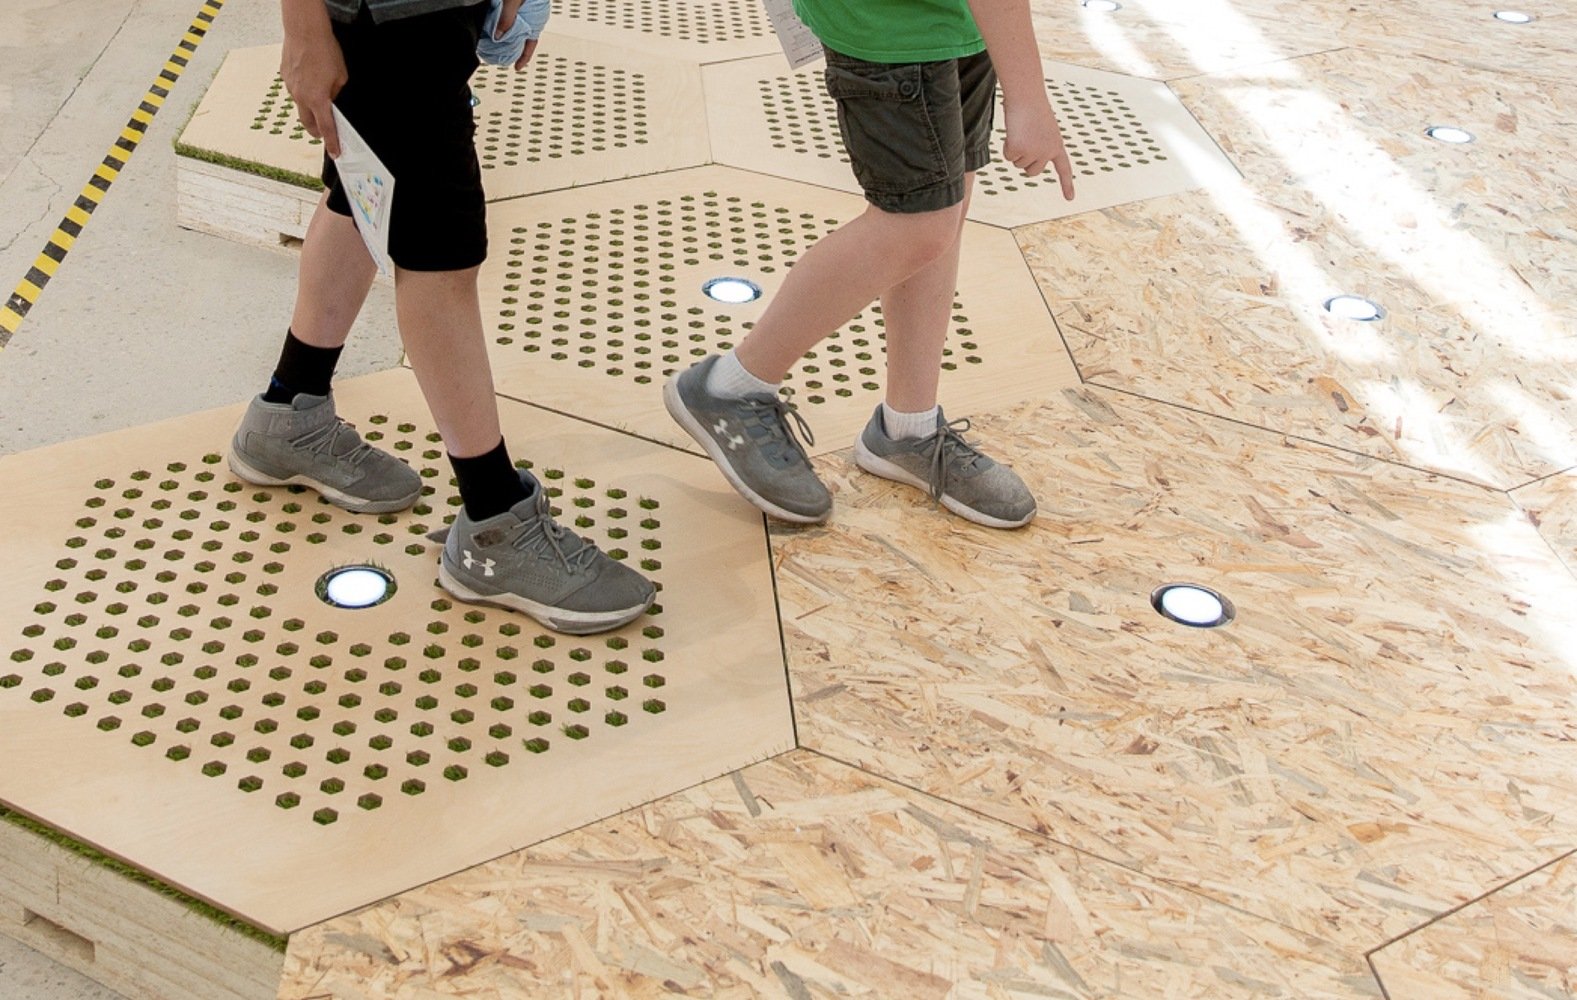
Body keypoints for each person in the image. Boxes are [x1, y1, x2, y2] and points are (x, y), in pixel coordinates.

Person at [228, 0, 654, 634]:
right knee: (440, 254)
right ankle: (494, 517)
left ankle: (289, 409)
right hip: (389, 20)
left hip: (417, 15)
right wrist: (303, 27)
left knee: (362, 192)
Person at [665, 0, 1074, 529]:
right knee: (917, 225)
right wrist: (1029, 95)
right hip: (893, 27)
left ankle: (908, 429)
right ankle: (730, 387)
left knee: (944, 210)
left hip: (964, 21)